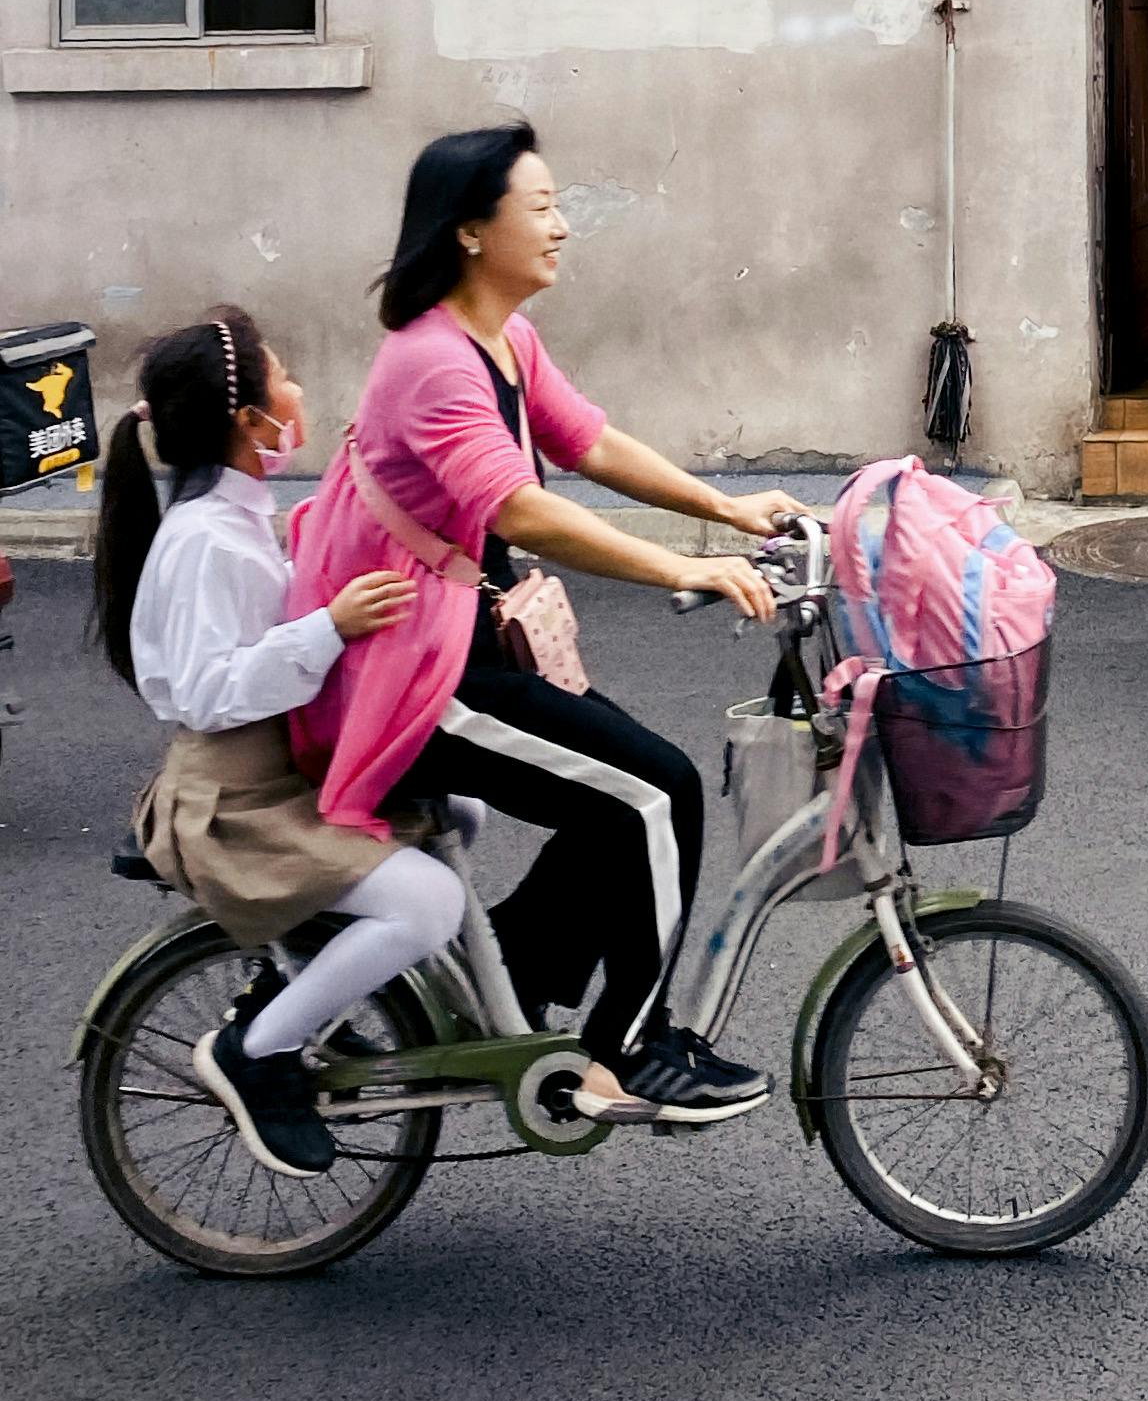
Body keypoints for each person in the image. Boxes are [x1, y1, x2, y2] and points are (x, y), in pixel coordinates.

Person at [288, 124, 792, 1131]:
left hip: (460, 640)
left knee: (626, 783)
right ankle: (627, 1050)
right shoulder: (430, 360)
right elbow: (519, 508)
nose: (563, 226)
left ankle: (515, 968)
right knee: (651, 794)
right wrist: (684, 565)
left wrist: (730, 509)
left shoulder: (503, 338)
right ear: (472, 230)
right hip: (416, 673)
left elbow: (589, 439)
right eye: (543, 207)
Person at [93, 304, 466, 1182]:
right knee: (427, 906)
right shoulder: (204, 541)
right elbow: (210, 688)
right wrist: (327, 629)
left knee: (463, 809)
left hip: (274, 769)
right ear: (247, 421)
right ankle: (256, 1052)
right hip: (235, 797)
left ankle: (299, 984)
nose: (297, 390)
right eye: (283, 377)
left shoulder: (235, 512)